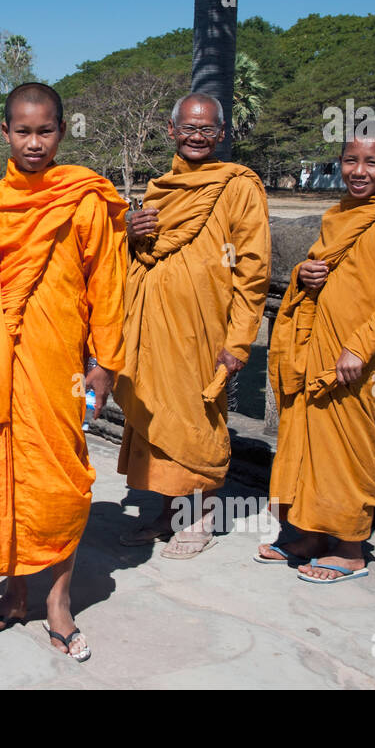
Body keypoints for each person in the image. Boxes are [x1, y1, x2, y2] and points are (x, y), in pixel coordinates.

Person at [0, 83, 126, 662]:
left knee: (65, 481)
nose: (34, 141)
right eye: (22, 131)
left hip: (58, 365)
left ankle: (59, 601)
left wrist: (106, 363)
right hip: (0, 365)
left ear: (62, 132)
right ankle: (14, 594)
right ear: (4, 133)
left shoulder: (84, 198)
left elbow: (109, 286)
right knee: (1, 479)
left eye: (45, 130)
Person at [258, 134, 375, 582]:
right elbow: (324, 274)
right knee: (306, 442)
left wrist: (360, 346)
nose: (359, 171)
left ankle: (351, 548)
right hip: (316, 348)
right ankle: (311, 536)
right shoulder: (337, 217)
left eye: (371, 163)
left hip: (357, 358)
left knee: (346, 449)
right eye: (350, 160)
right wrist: (303, 275)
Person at [114, 93, 270, 557]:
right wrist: (132, 235)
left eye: (206, 130)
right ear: (171, 129)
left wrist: (239, 340)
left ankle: (200, 517)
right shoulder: (162, 187)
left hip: (205, 327)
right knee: (155, 415)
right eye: (188, 128)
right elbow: (142, 257)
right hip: (150, 324)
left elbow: (253, 268)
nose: (197, 137)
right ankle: (164, 512)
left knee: (197, 419)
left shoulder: (238, 185)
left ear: (221, 134)